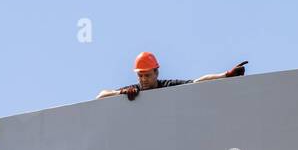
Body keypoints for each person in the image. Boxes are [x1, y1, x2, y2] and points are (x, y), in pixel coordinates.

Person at [97, 51, 247, 101]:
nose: (143, 80)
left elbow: (197, 82)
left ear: (156, 72)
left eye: (147, 75)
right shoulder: (133, 90)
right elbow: (100, 96)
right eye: (140, 76)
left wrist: (226, 75)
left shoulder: (168, 86)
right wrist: (120, 93)